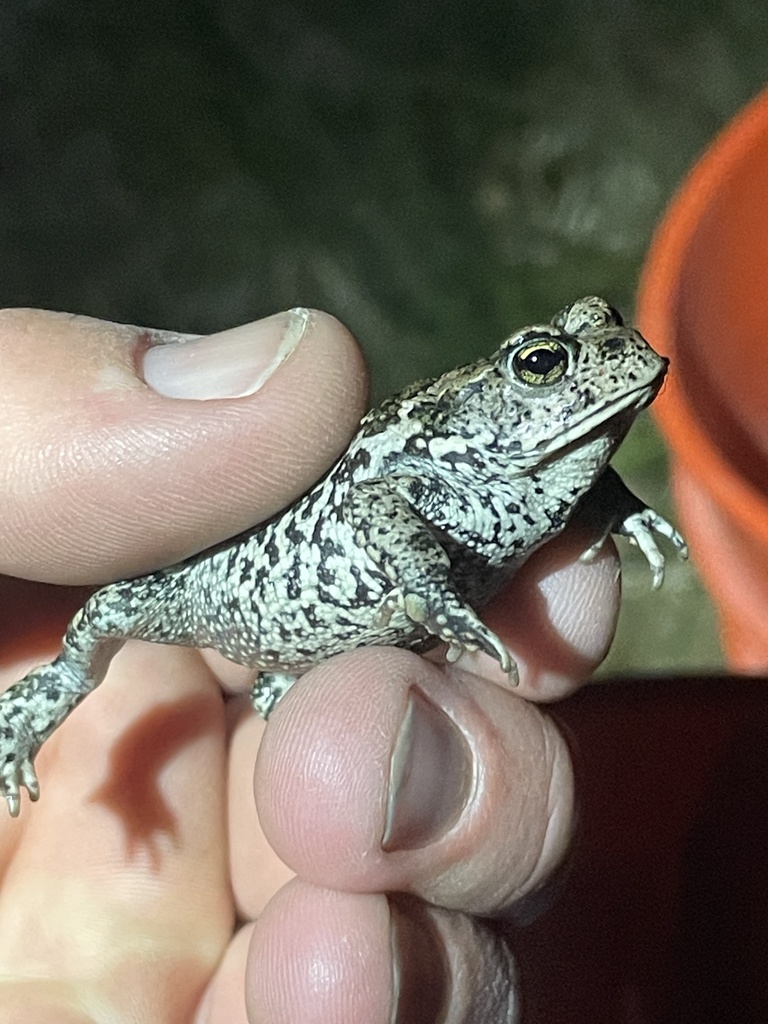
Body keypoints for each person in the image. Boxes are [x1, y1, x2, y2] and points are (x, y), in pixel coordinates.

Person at [0, 307, 623, 1022]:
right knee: (113, 610)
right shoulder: (443, 450)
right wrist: (429, 590)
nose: (598, 363)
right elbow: (380, 504)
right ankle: (52, 691)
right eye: (544, 366)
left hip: (301, 672)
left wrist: (614, 504)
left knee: (353, 779)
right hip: (228, 589)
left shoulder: (532, 476)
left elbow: (564, 486)